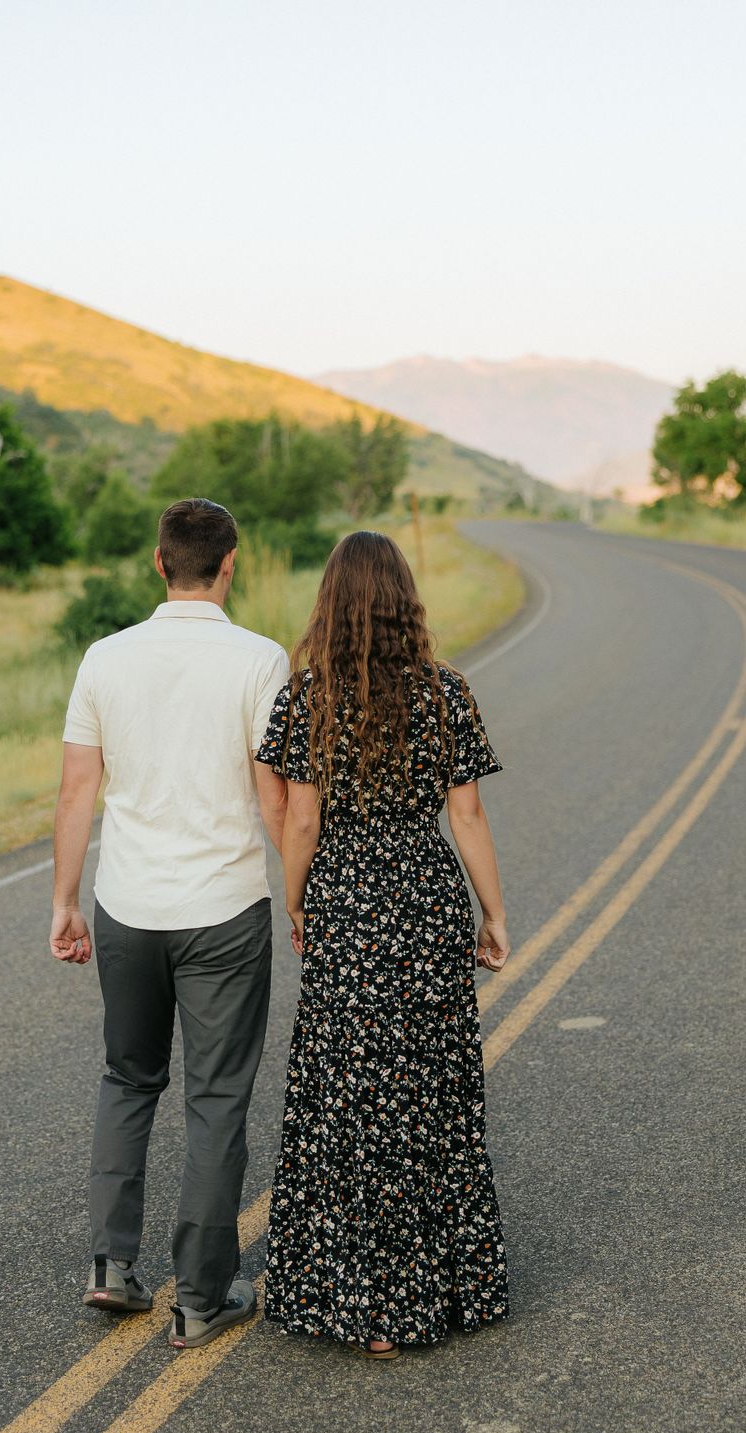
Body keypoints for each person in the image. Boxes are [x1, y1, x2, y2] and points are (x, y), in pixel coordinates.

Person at [253, 530, 510, 1358]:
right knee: (430, 1088)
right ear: (406, 601)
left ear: (329, 602)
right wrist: (492, 914)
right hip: (427, 900)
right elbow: (465, 816)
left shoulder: (305, 699)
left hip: (348, 907)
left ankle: (359, 1304)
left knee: (349, 1098)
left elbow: (300, 818)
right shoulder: (447, 693)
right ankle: (442, 1292)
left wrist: (295, 901)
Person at [50, 498, 290, 1350]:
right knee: (216, 1100)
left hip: (127, 906)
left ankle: (112, 1268)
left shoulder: (104, 658)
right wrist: (301, 895)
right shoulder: (261, 660)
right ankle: (200, 1297)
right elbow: (274, 797)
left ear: (159, 564)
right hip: (224, 908)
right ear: (231, 564)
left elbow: (80, 790)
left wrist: (65, 902)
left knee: (128, 1079)